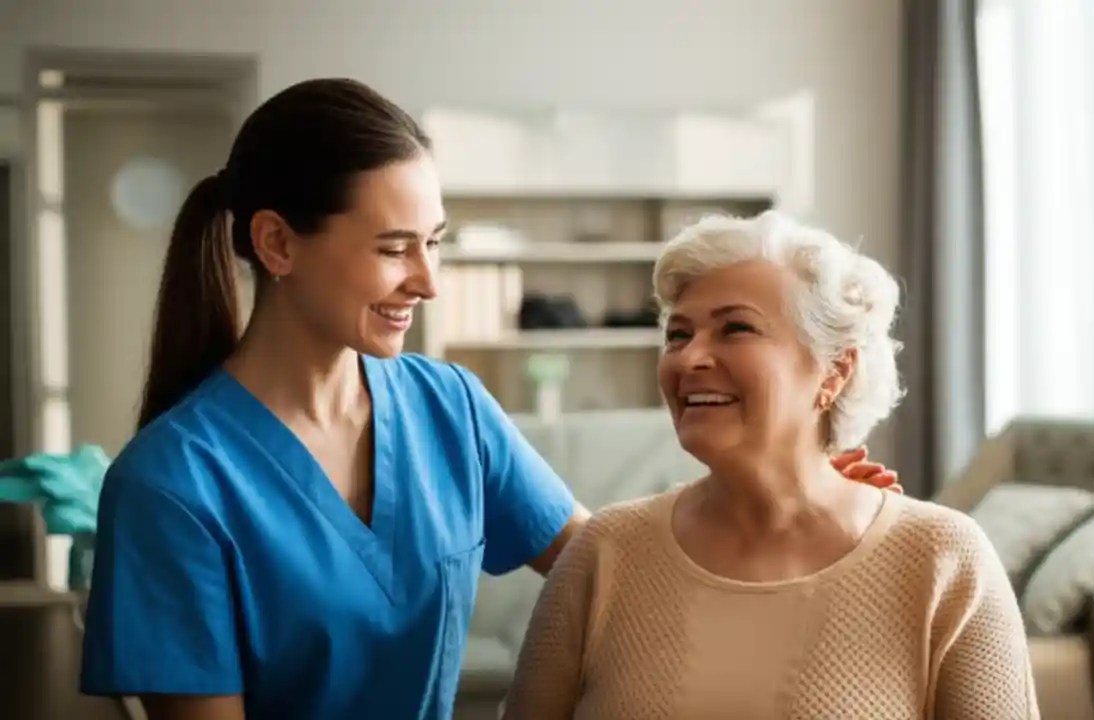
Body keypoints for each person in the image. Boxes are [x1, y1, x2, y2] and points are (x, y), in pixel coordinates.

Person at [79, 79, 898, 720]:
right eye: (394, 249)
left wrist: (800, 516)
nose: (429, 282)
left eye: (434, 243)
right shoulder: (170, 488)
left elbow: (613, 572)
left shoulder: (449, 408)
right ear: (277, 242)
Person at [503, 211, 1040, 719]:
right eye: (679, 334)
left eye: (736, 328)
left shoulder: (944, 560)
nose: (690, 358)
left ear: (834, 371)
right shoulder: (605, 551)